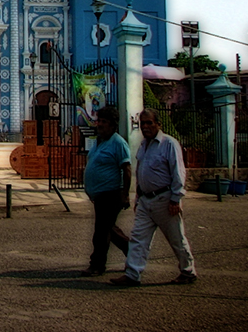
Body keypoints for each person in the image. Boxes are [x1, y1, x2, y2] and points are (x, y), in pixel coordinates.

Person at [110, 108, 197, 286]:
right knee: (138, 237)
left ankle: (188, 271)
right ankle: (133, 274)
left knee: (176, 238)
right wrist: (138, 197)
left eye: (149, 123)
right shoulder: (144, 145)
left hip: (164, 200)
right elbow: (141, 172)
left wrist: (175, 199)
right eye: (142, 123)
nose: (145, 127)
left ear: (158, 124)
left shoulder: (169, 144)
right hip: (145, 200)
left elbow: (178, 174)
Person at [81, 106, 131, 276]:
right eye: (99, 121)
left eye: (104, 122)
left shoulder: (118, 143)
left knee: (101, 231)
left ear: (113, 125)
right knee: (109, 228)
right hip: (100, 195)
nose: (99, 124)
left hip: (112, 193)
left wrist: (125, 195)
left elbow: (127, 169)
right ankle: (133, 251)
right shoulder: (99, 141)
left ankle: (97, 264)